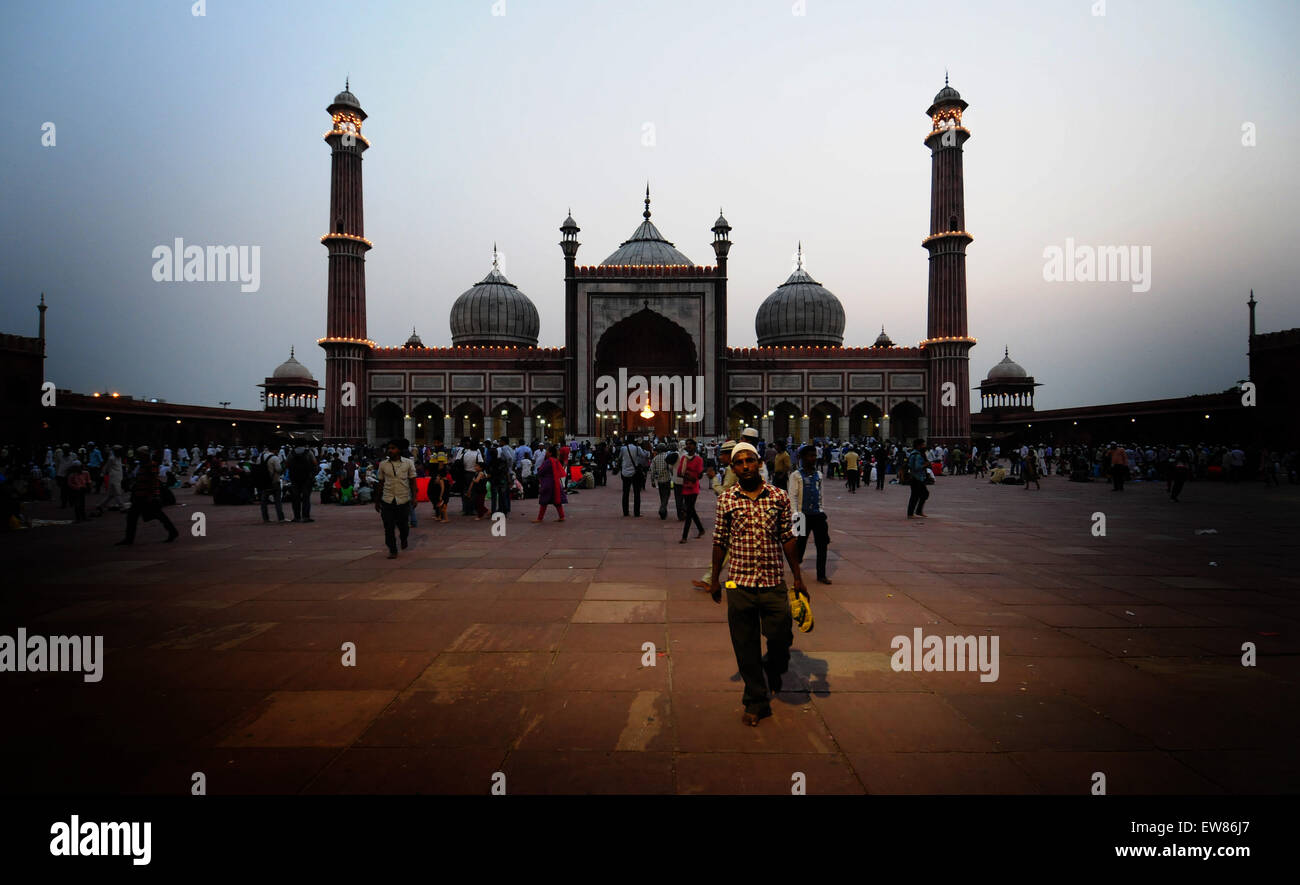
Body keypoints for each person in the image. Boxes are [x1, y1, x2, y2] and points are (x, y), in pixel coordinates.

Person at [707, 442, 806, 727]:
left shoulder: (779, 497)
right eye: (739, 462)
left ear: (760, 462)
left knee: (780, 637)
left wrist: (797, 576)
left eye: (750, 460)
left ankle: (775, 665)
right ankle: (756, 700)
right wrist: (715, 579)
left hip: (773, 581)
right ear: (733, 467)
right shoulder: (726, 500)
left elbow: (788, 537)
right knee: (745, 645)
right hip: (739, 582)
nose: (745, 466)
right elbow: (719, 541)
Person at [115, 447, 178, 545]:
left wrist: (154, 495)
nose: (139, 457)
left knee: (157, 515)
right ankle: (129, 538)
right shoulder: (142, 465)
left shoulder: (150, 465)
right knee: (135, 516)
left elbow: (154, 481)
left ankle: (172, 531)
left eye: (140, 455)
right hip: (140, 495)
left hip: (146, 496)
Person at [788, 444, 831, 584]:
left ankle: (821, 574)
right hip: (801, 515)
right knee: (799, 545)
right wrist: (795, 515)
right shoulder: (795, 475)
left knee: (822, 544)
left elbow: (821, 493)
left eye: (814, 455)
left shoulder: (818, 475)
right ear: (802, 458)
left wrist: (822, 509)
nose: (813, 458)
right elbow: (792, 496)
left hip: (818, 514)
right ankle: (796, 568)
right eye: (810, 456)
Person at [376, 438, 417, 559]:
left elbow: (413, 481)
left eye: (393, 448)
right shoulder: (383, 464)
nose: (390, 450)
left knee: (403, 526)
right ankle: (392, 549)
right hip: (387, 499)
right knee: (388, 526)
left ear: (399, 450)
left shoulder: (408, 463)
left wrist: (414, 498)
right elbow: (380, 483)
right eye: (389, 448)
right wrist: (377, 501)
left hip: (403, 499)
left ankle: (403, 538)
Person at [677, 438, 705, 543]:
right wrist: (688, 476)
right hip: (685, 487)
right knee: (691, 510)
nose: (688, 446)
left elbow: (699, 475)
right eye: (687, 444)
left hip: (693, 488)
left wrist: (689, 476)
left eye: (690, 444)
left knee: (689, 511)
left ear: (695, 446)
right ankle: (701, 529)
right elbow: (679, 473)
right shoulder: (684, 458)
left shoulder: (699, 459)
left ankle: (684, 536)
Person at [534, 444, 566, 522]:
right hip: (555, 483)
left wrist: (538, 473)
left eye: (547, 451)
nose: (546, 453)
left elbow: (541, 471)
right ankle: (561, 516)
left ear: (550, 453)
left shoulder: (548, 461)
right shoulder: (556, 460)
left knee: (544, 501)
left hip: (547, 483)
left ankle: (539, 518)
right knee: (557, 501)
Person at [255, 446, 286, 522]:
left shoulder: (260, 458)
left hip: (264, 482)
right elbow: (279, 469)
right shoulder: (274, 458)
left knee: (264, 501)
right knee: (277, 501)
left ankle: (265, 518)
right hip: (274, 481)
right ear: (275, 450)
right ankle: (280, 517)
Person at [617, 436, 646, 517]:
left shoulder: (623, 448)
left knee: (625, 493)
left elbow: (620, 458)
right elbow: (644, 456)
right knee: (637, 493)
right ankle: (636, 512)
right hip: (635, 472)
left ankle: (625, 512)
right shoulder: (637, 448)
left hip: (625, 472)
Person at [906, 439, 929, 520]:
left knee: (923, 494)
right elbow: (917, 467)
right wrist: (925, 465)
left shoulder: (914, 453)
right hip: (917, 478)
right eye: (923, 444)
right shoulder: (917, 455)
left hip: (917, 477)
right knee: (916, 495)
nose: (924, 446)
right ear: (919, 446)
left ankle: (917, 511)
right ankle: (911, 513)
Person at [650, 444, 673, 520]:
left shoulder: (655, 458)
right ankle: (662, 509)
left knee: (662, 496)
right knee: (666, 496)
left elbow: (652, 471)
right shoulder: (668, 456)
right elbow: (670, 468)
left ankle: (664, 512)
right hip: (667, 479)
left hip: (659, 481)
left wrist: (653, 481)